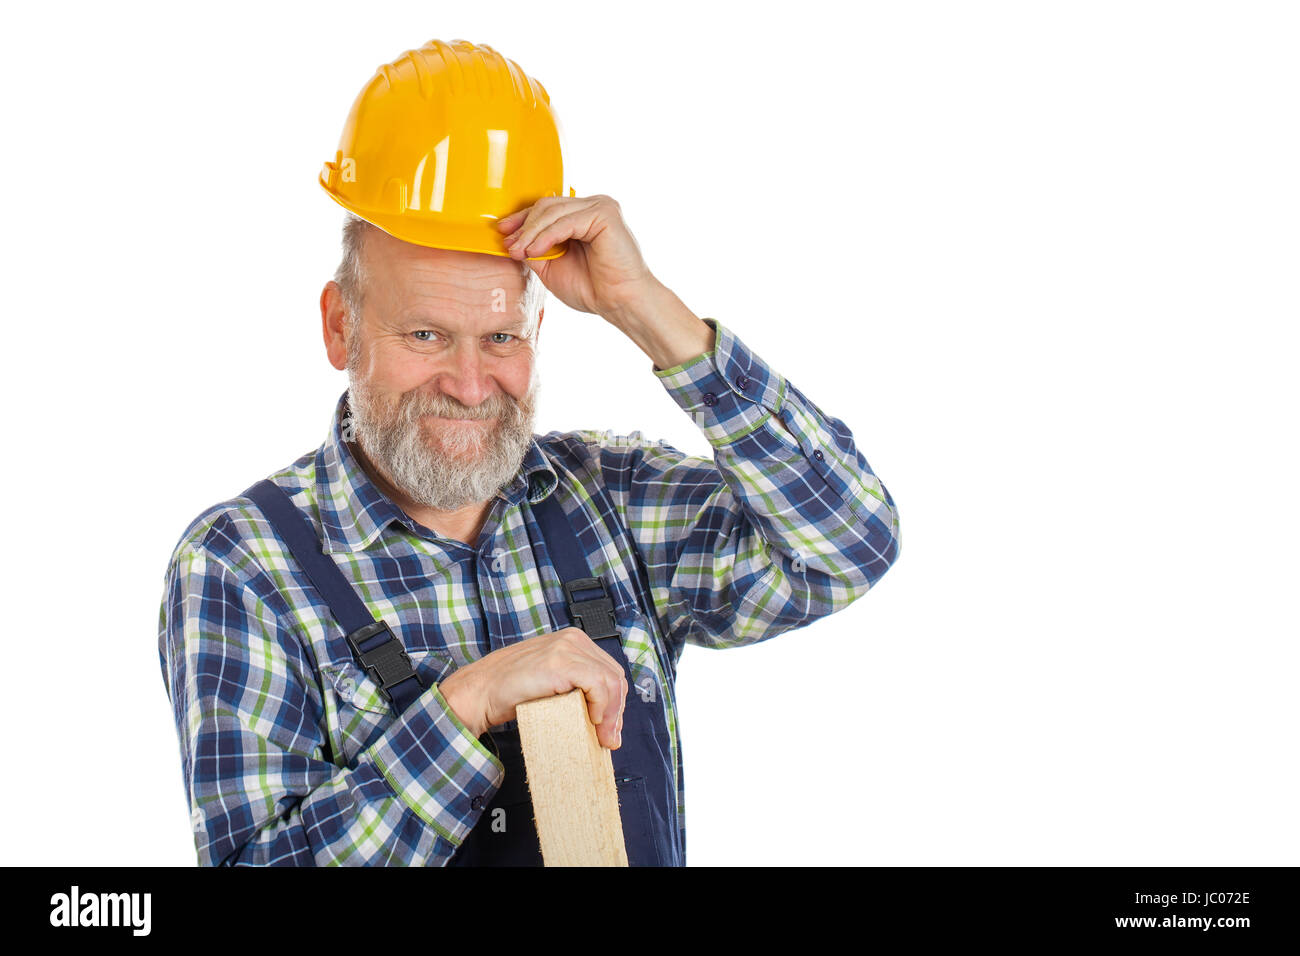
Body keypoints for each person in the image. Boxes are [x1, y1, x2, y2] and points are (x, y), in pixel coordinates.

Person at [156, 40, 901, 866]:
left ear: (539, 327)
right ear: (340, 326)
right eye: (426, 334)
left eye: (501, 336)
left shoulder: (609, 500)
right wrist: (464, 706)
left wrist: (646, 308)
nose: (472, 385)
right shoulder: (243, 565)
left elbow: (847, 546)